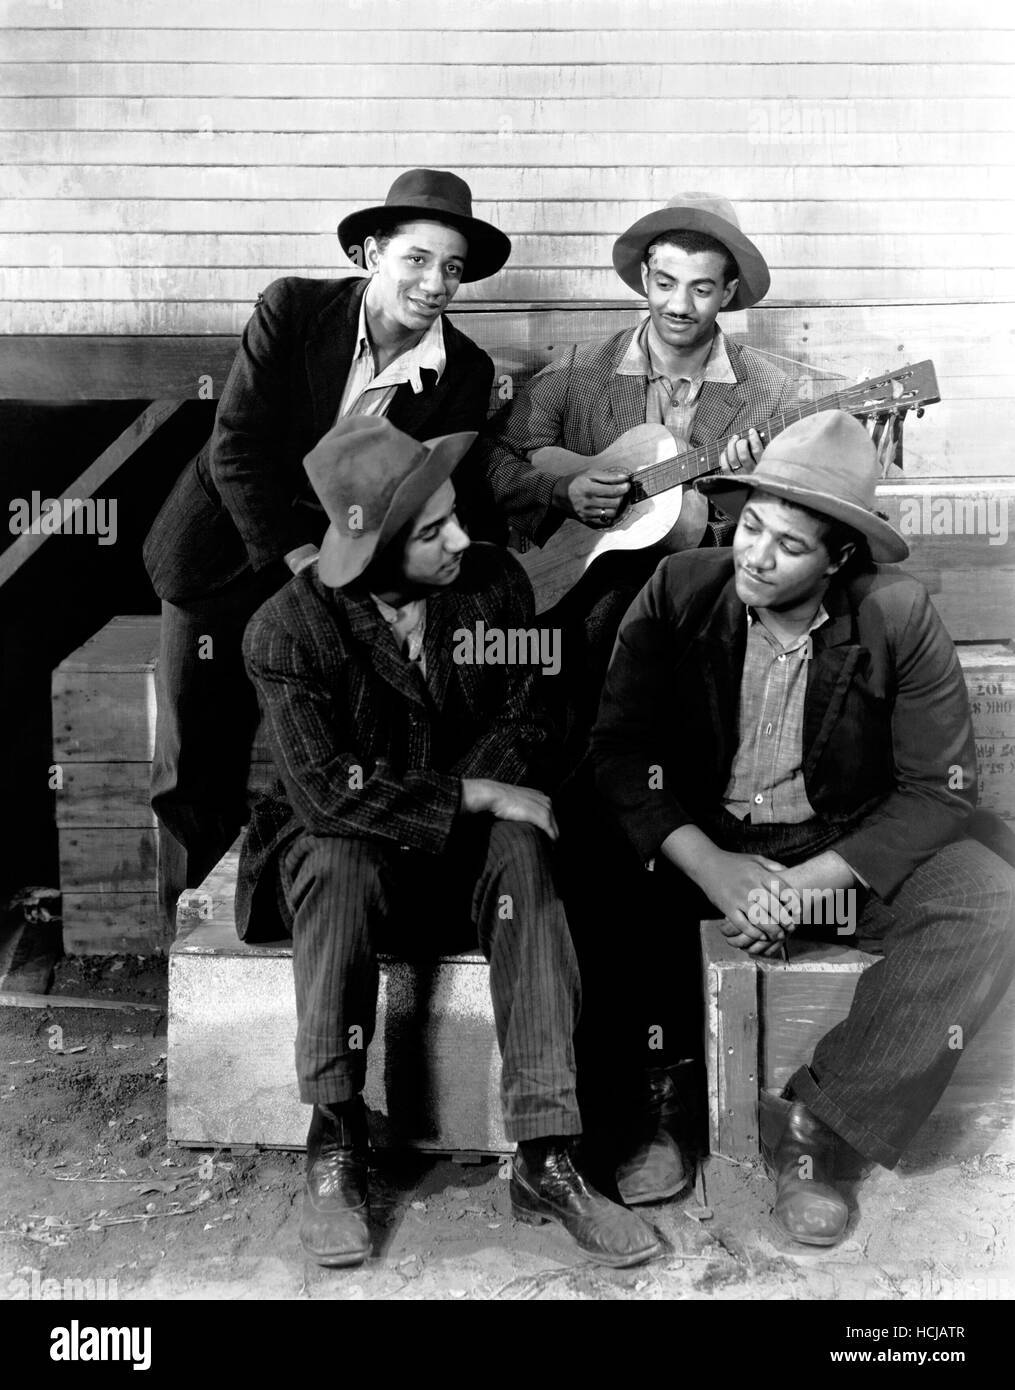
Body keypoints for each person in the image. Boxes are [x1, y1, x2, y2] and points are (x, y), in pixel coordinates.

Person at [237, 413, 662, 1270]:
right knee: (339, 851)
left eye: (455, 514)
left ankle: (547, 1151)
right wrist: (470, 790)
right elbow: (326, 796)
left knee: (524, 846)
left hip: (453, 856)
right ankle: (336, 1134)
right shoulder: (287, 630)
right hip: (342, 864)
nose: (461, 538)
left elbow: (527, 718)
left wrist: (495, 796)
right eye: (432, 531)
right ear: (375, 546)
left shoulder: (492, 585)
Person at [589, 409, 1015, 1245]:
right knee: (591, 860)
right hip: (697, 838)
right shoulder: (679, 590)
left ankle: (821, 1127)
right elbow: (618, 754)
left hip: (833, 849)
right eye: (749, 526)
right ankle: (661, 1096)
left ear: (839, 558)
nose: (754, 553)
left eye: (787, 546)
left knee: (986, 897)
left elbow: (938, 791)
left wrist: (803, 885)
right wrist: (716, 870)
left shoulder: (896, 613)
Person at [143, 169, 508, 897]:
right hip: (223, 555)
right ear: (371, 252)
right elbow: (237, 446)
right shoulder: (294, 307)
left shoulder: (465, 370)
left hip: (347, 577)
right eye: (417, 259)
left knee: (323, 761)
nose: (436, 283)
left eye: (453, 269)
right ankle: (185, 942)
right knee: (194, 765)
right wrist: (298, 554)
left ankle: (287, 934)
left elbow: (428, 491)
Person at [478, 192, 800, 743]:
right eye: (666, 283)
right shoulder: (584, 370)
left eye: (701, 289)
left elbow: (784, 525)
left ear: (727, 292)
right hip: (581, 576)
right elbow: (491, 455)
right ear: (645, 277)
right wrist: (559, 491)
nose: (679, 305)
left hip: (703, 590)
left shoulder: (771, 395)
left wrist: (735, 493)